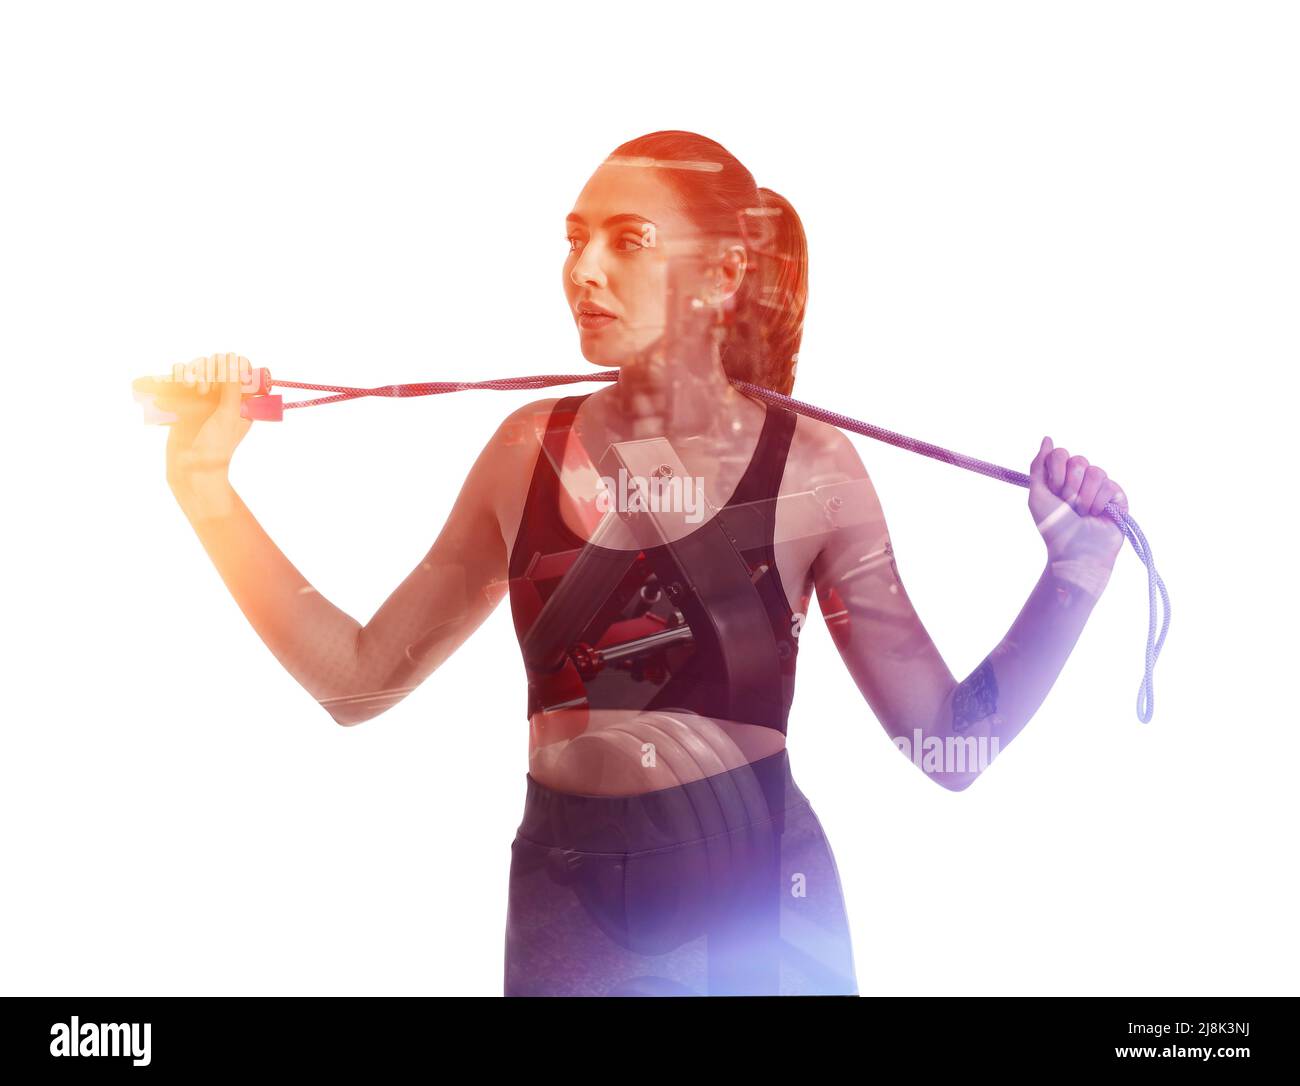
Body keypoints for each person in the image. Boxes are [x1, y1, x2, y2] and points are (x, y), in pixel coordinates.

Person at [158, 130, 1129, 996]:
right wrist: (205, 489)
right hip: (568, 919)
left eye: (627, 240)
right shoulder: (522, 455)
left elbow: (944, 746)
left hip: (766, 917)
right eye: (573, 237)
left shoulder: (816, 475)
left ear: (721, 273)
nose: (583, 269)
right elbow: (358, 684)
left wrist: (1073, 576)